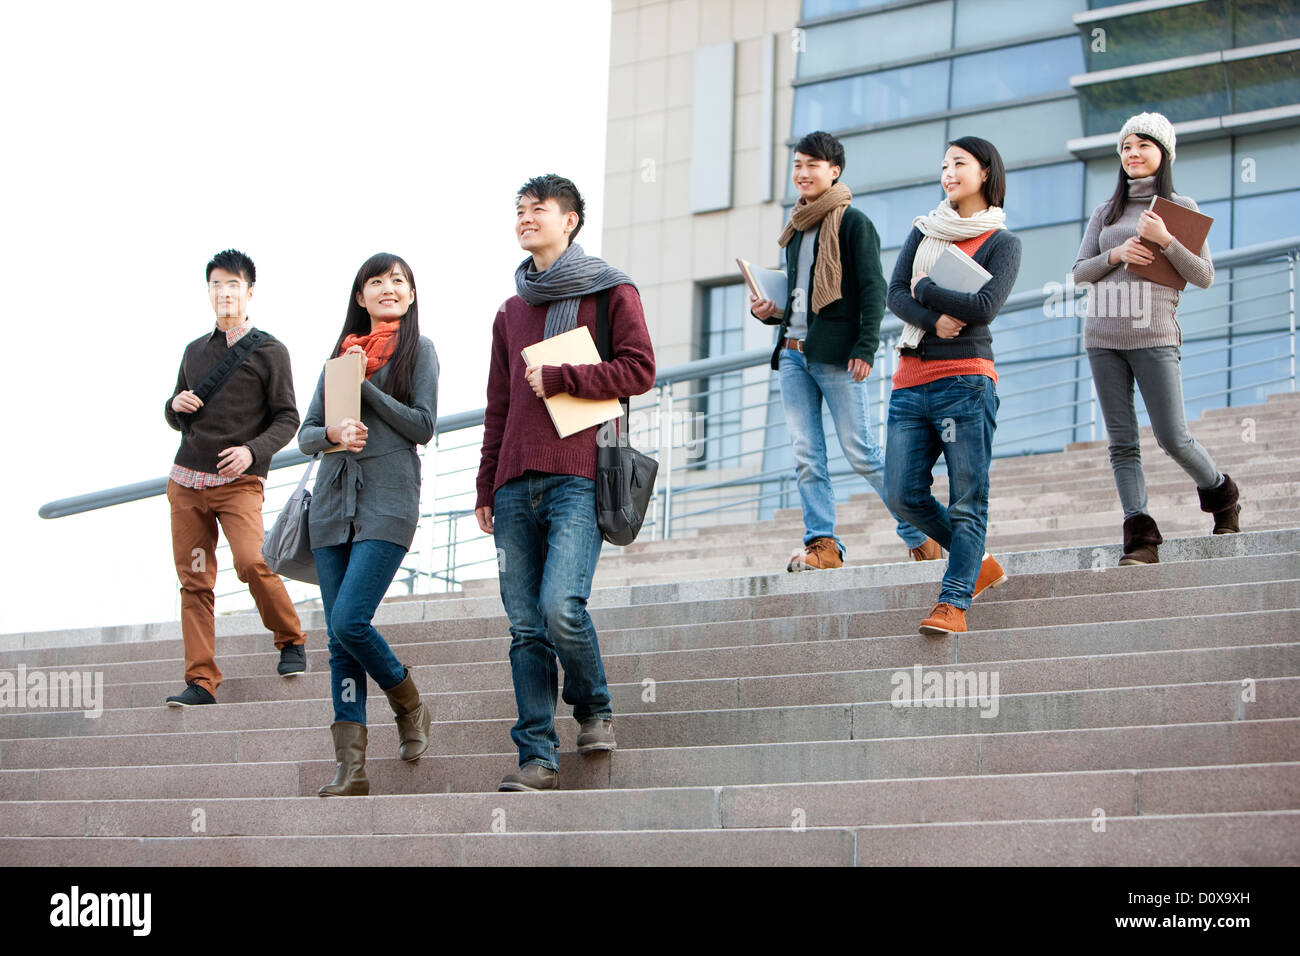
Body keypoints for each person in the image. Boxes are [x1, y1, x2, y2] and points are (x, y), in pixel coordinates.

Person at [475, 174, 655, 792]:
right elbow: (498, 404)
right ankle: (536, 756)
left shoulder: (610, 291)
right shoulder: (511, 310)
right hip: (513, 483)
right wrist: (483, 487)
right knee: (524, 627)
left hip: (580, 474)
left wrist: (566, 377)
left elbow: (640, 369)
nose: (526, 218)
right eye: (519, 210)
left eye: (538, 209)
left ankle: (593, 704)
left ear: (570, 220)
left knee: (559, 608)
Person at [750, 130, 938, 572]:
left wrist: (866, 346)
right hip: (794, 354)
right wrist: (769, 312)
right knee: (805, 456)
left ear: (834, 172)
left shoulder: (853, 223)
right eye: (798, 165)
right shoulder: (796, 227)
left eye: (812, 165)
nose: (802, 173)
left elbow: (873, 289)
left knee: (861, 452)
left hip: (837, 357)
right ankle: (823, 545)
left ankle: (918, 534)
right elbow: (803, 301)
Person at [298, 253, 439, 797]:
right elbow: (307, 434)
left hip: (388, 501)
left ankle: (410, 704)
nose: (387, 287)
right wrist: (335, 434)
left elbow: (423, 425)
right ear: (360, 297)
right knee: (338, 643)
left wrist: (367, 389)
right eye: (375, 281)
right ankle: (351, 769)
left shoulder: (419, 351)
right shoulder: (339, 361)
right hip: (333, 506)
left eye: (397, 280)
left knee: (351, 621)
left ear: (409, 295)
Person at [1072, 112, 1235, 565]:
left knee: (1173, 437)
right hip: (1102, 337)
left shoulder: (1181, 208)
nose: (1133, 154)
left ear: (1163, 154)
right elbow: (1078, 273)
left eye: (1143, 145)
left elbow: (1202, 275)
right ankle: (1140, 535)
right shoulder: (1104, 212)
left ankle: (1221, 493)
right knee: (1121, 443)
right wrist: (1117, 253)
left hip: (1155, 336)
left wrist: (1166, 240)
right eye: (1126, 147)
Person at [884, 137, 1022, 636]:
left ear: (985, 171)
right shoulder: (925, 230)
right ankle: (976, 560)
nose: (948, 172)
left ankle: (954, 600)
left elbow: (985, 306)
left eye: (959, 164)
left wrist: (928, 290)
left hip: (965, 381)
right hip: (910, 379)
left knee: (968, 499)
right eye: (943, 164)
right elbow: (894, 293)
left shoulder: (1003, 242)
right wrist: (932, 315)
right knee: (901, 494)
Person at [163, 249, 306, 706]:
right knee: (196, 580)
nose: (224, 294)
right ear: (208, 292)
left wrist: (251, 451)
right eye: (216, 286)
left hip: (238, 485)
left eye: (232, 285)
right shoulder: (193, 351)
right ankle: (201, 680)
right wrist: (173, 407)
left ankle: (290, 637)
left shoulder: (270, 351)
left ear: (249, 292)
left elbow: (288, 418)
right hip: (187, 484)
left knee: (252, 561)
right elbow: (179, 412)